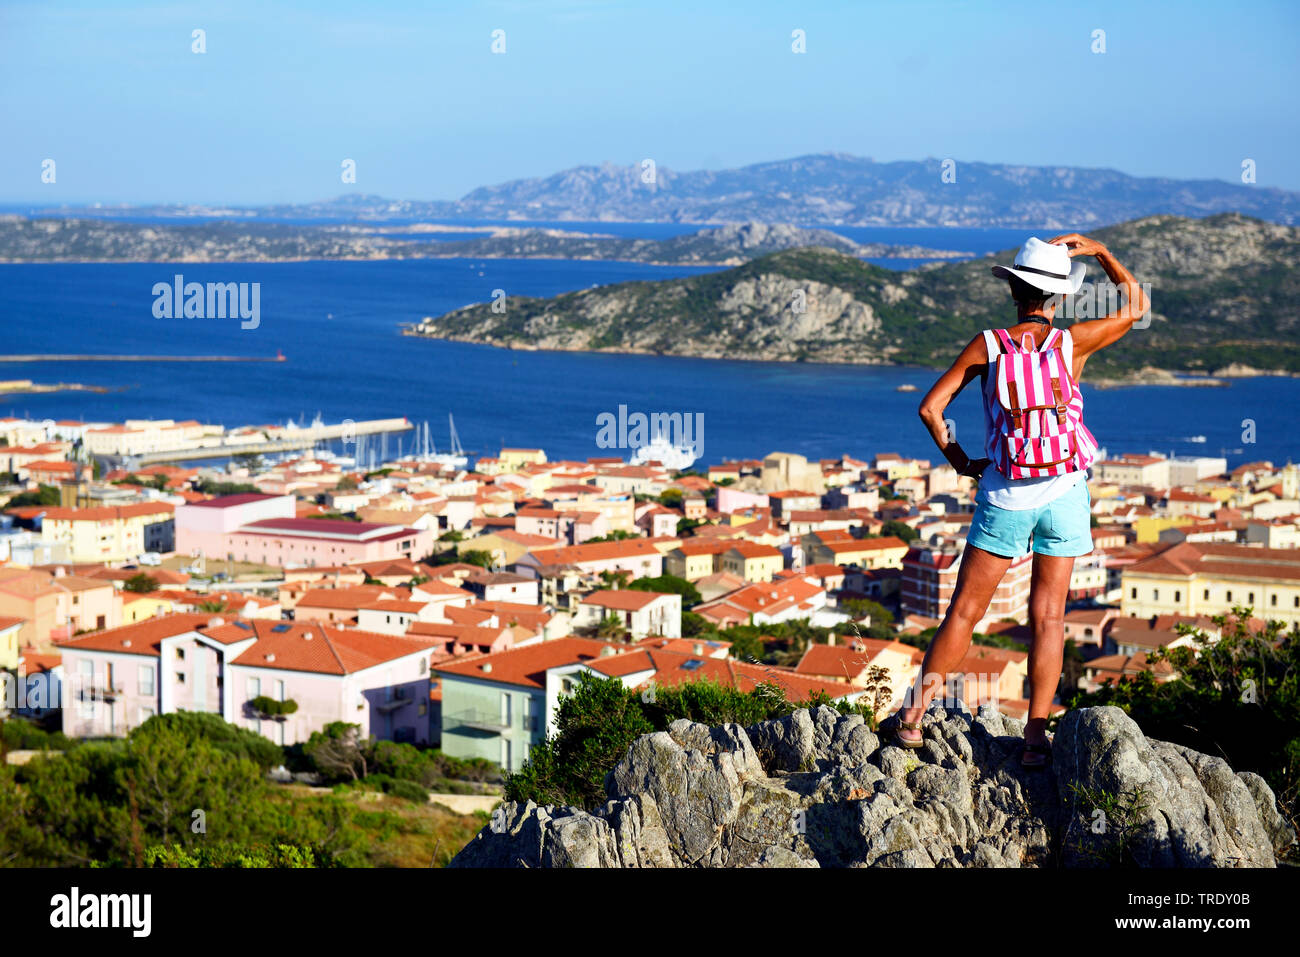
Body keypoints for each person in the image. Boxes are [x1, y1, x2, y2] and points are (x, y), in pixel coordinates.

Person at [889, 233, 1149, 767]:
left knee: (964, 612)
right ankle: (1035, 737)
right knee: (1049, 616)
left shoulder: (987, 346)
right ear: (1057, 297)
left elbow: (929, 409)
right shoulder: (1073, 344)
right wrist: (1100, 252)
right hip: (1065, 490)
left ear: (1012, 290)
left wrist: (963, 463)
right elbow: (1138, 306)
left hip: (1005, 493)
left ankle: (912, 720)